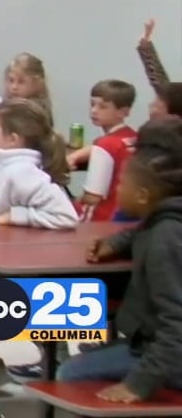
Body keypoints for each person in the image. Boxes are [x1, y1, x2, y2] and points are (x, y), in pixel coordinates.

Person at [66, 117, 182, 403]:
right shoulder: (163, 222)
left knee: (69, 374)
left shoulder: (165, 238)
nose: (117, 189)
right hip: (150, 342)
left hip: (166, 356)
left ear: (143, 196)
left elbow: (177, 324)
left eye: (121, 183)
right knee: (89, 350)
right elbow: (140, 232)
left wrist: (138, 385)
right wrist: (115, 243)